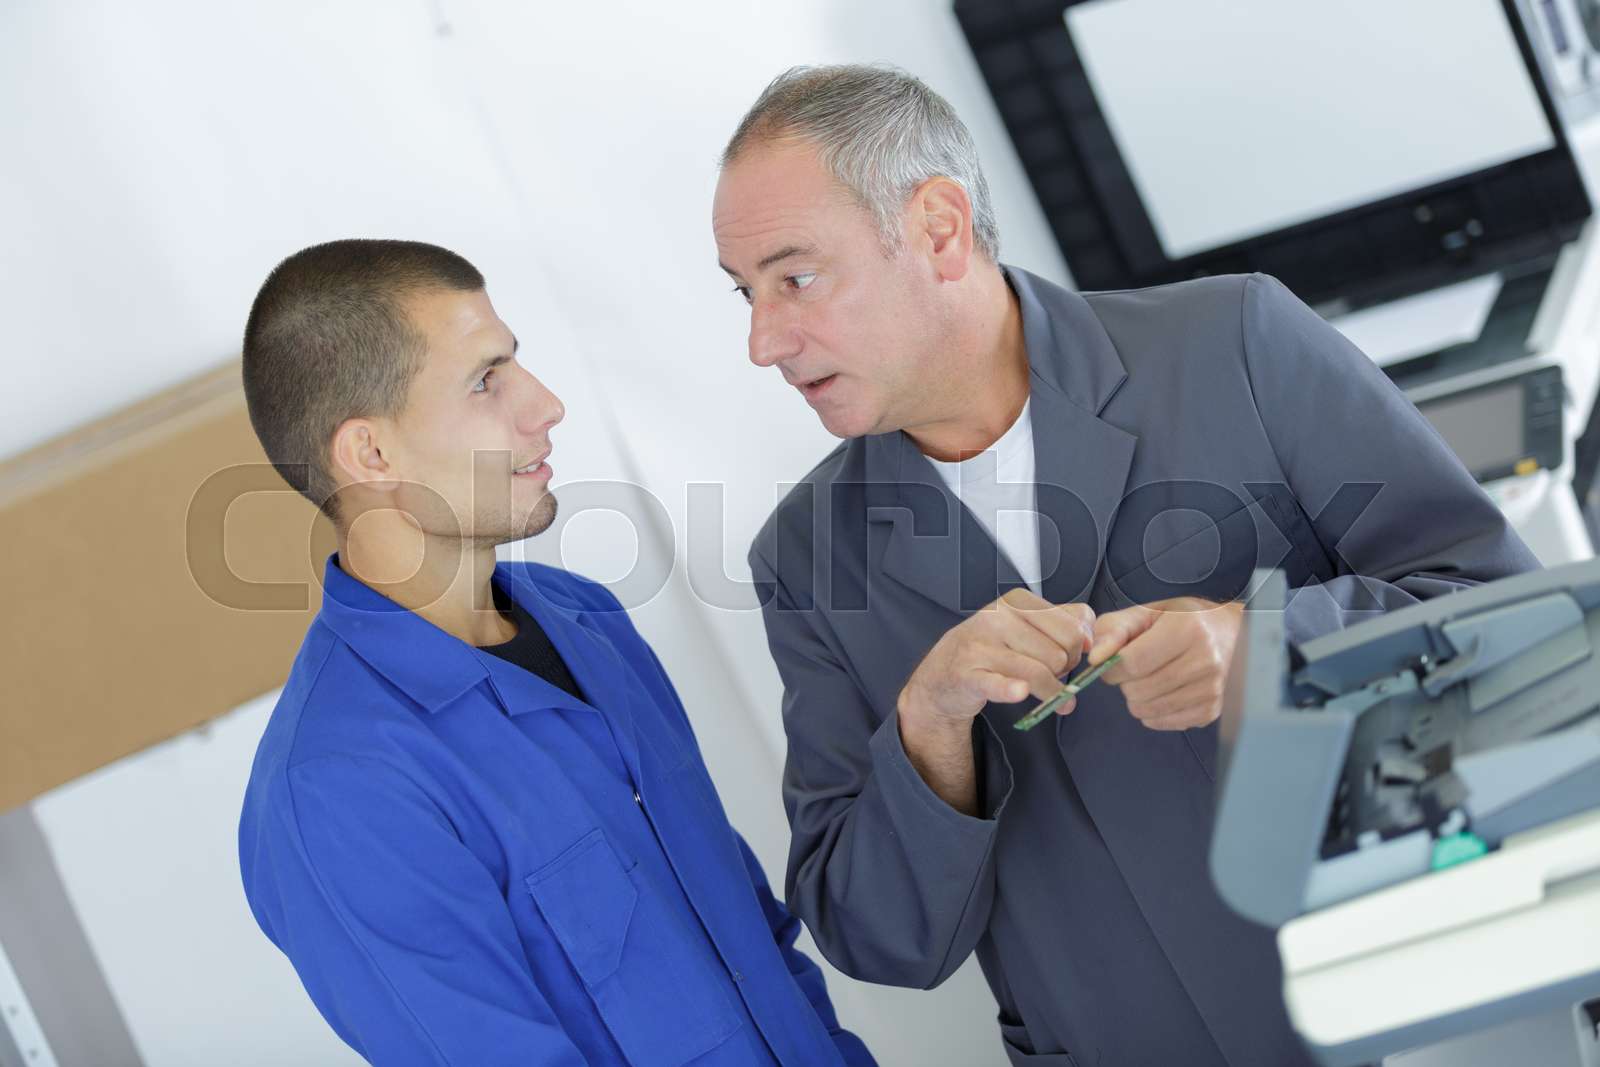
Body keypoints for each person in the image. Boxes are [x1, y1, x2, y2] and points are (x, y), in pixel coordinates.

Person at [713, 65, 1540, 1066]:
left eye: (794, 277)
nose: (764, 341)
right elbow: (876, 936)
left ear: (936, 227)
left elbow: (1514, 619)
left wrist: (1265, 648)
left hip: (1430, 1019)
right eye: (745, 294)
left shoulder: (1236, 341)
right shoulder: (805, 559)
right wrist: (927, 726)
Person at [236, 239, 874, 1067]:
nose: (545, 405)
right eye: (485, 380)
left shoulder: (589, 622)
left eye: (517, 364)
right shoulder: (338, 790)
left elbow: (760, 947)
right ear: (371, 455)